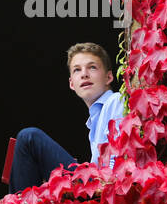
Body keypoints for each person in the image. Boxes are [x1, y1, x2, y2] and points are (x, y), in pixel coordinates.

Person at [9, 42, 124, 194]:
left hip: (107, 187)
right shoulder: (94, 120)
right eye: (77, 70)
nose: (84, 74)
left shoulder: (115, 101)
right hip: (96, 184)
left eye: (92, 67)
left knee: (29, 137)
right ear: (71, 83)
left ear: (109, 77)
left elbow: (117, 159)